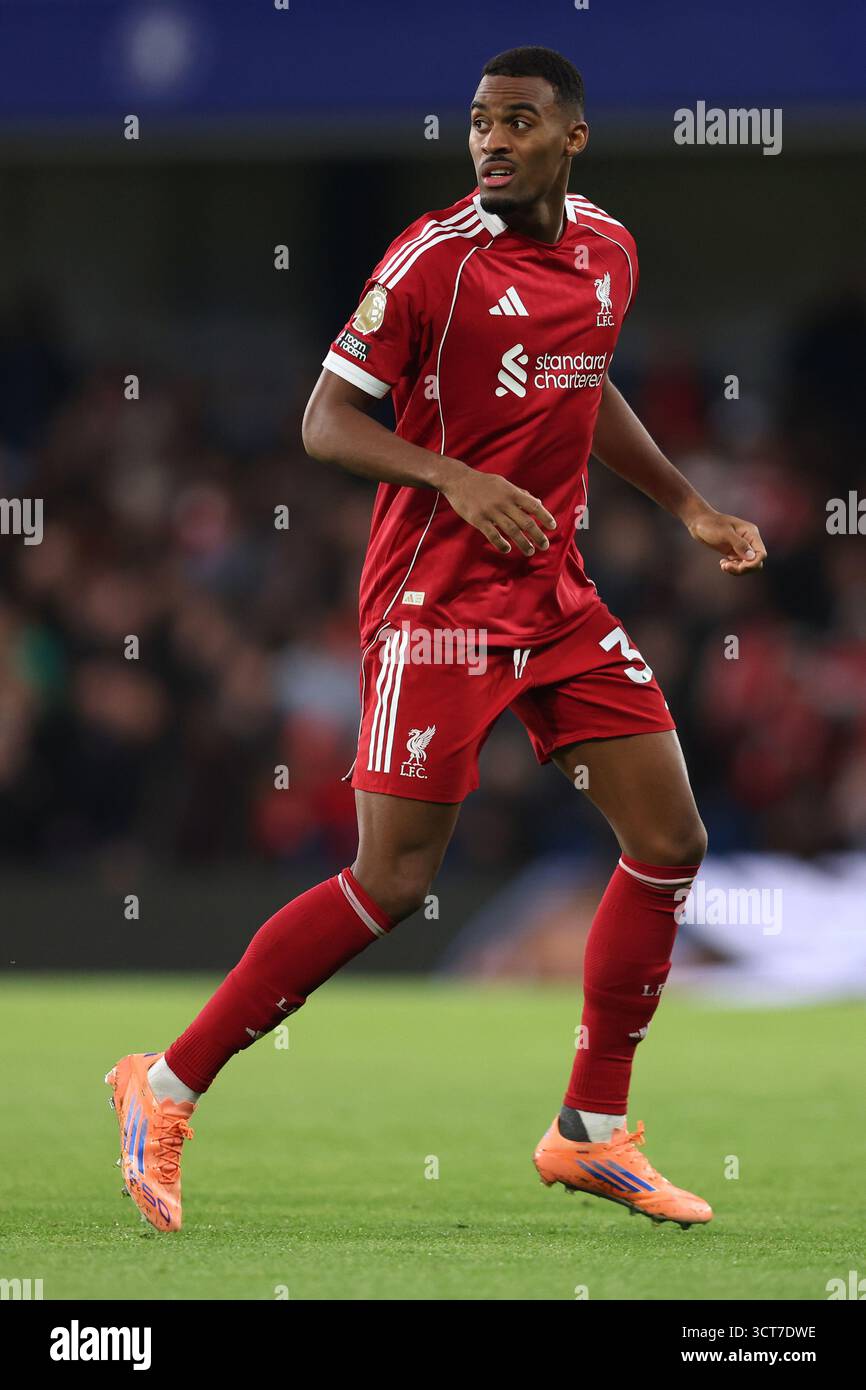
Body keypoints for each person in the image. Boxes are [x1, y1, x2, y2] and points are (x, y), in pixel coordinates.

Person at [106, 46, 766, 1232]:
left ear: (571, 136)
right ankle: (160, 1084)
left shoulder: (606, 248)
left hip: (555, 597)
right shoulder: (430, 262)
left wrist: (685, 505)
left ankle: (590, 1131)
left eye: (516, 122)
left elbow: (585, 381)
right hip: (436, 607)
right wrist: (448, 476)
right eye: (477, 124)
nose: (491, 141)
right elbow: (324, 422)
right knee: (394, 879)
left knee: (668, 838)